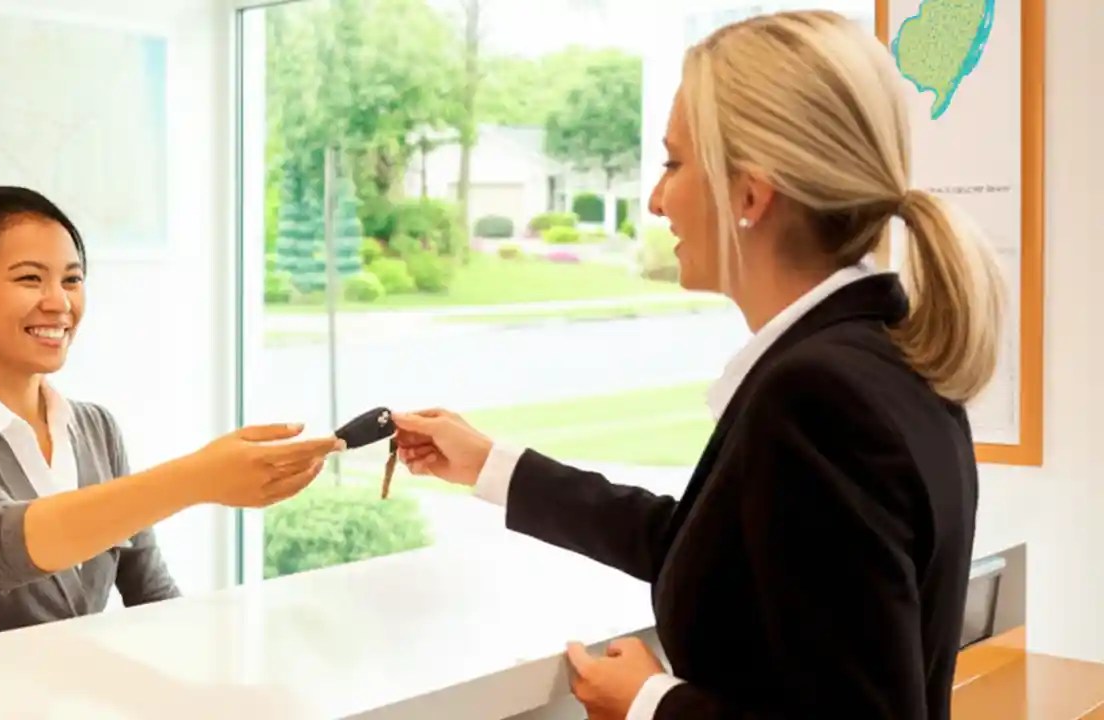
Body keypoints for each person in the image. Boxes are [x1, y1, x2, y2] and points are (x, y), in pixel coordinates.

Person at [392, 10, 1003, 720]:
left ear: (749, 195)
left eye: (674, 164)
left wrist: (653, 702)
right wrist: (492, 465)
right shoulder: (881, 354)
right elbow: (714, 549)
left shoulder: (818, 399)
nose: (656, 200)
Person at [0, 186, 343, 652]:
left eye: (72, 280)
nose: (59, 302)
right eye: (30, 278)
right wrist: (196, 479)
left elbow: (151, 595)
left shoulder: (95, 429)